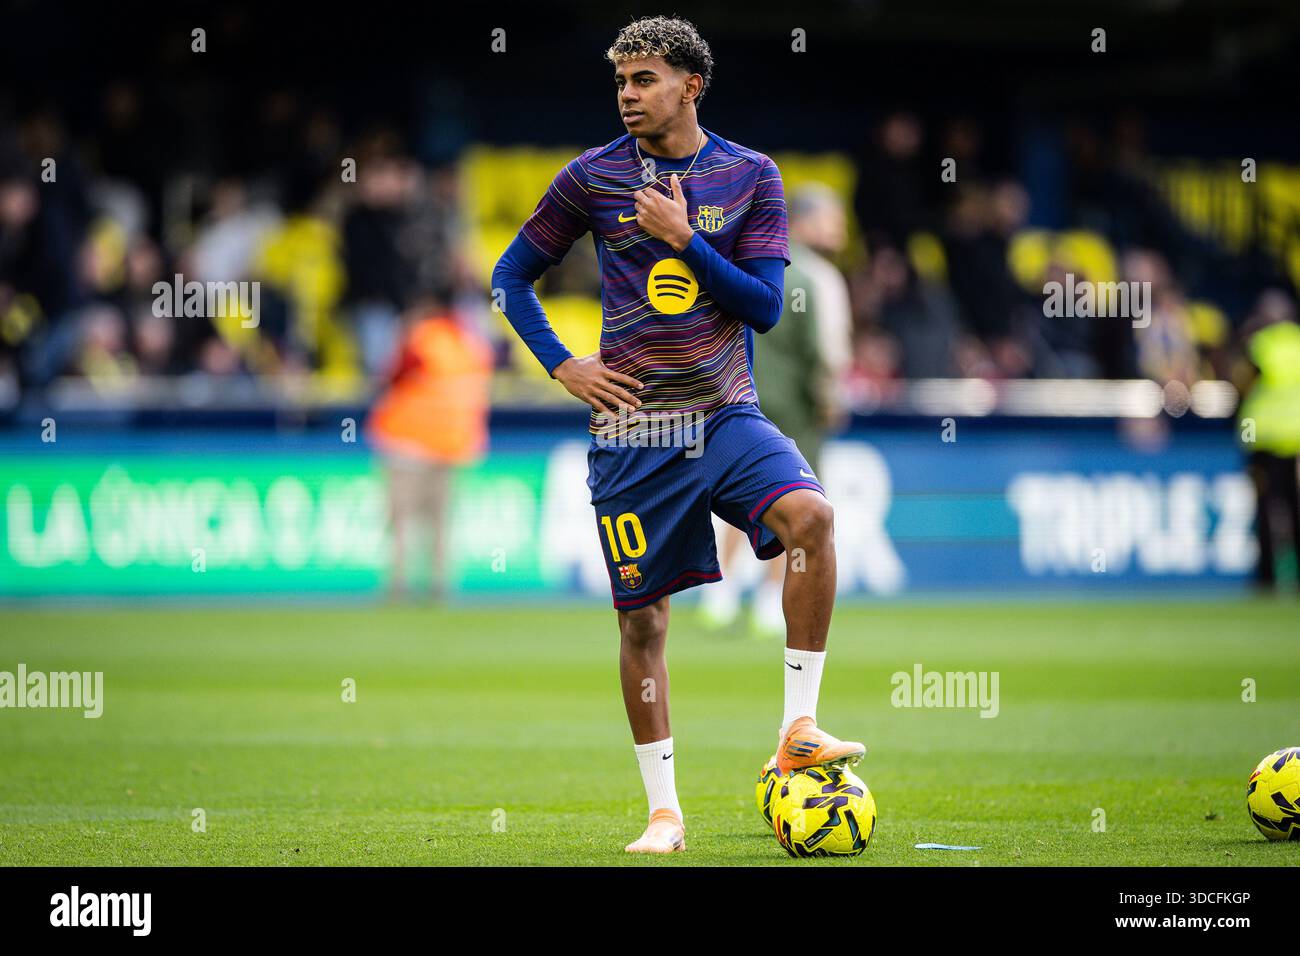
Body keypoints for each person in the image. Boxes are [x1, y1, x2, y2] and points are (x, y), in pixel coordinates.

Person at [492, 15, 864, 855]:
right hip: (631, 430)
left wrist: (684, 239)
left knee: (813, 517)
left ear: (691, 85)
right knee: (643, 624)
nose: (627, 95)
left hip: (725, 412)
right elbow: (510, 276)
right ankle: (664, 811)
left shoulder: (750, 175)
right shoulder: (589, 177)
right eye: (620, 81)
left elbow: (765, 307)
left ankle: (798, 727)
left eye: (644, 79)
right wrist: (563, 365)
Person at [699, 183, 853, 636]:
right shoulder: (819, 279)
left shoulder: (744, 265)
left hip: (740, 402)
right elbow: (824, 353)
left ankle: (720, 593)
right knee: (795, 507)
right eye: (832, 217)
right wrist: (829, 400)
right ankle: (770, 600)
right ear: (803, 222)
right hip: (796, 409)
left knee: (739, 498)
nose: (840, 228)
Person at [366, 294, 492, 599]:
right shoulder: (473, 344)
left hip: (408, 443)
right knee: (439, 523)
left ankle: (398, 586)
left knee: (403, 521)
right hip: (449, 445)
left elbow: (390, 376)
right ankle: (439, 586)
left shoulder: (420, 337)